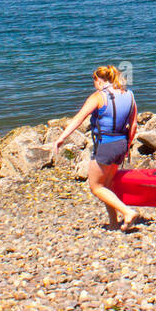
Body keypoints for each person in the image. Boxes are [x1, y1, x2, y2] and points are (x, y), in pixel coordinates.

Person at [52, 65, 142, 229]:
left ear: (99, 80)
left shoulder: (99, 97)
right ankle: (114, 223)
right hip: (122, 144)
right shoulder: (129, 95)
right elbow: (133, 125)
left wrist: (61, 138)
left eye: (94, 82)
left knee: (96, 187)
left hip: (106, 145)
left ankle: (127, 212)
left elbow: (79, 118)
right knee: (106, 184)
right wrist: (127, 145)